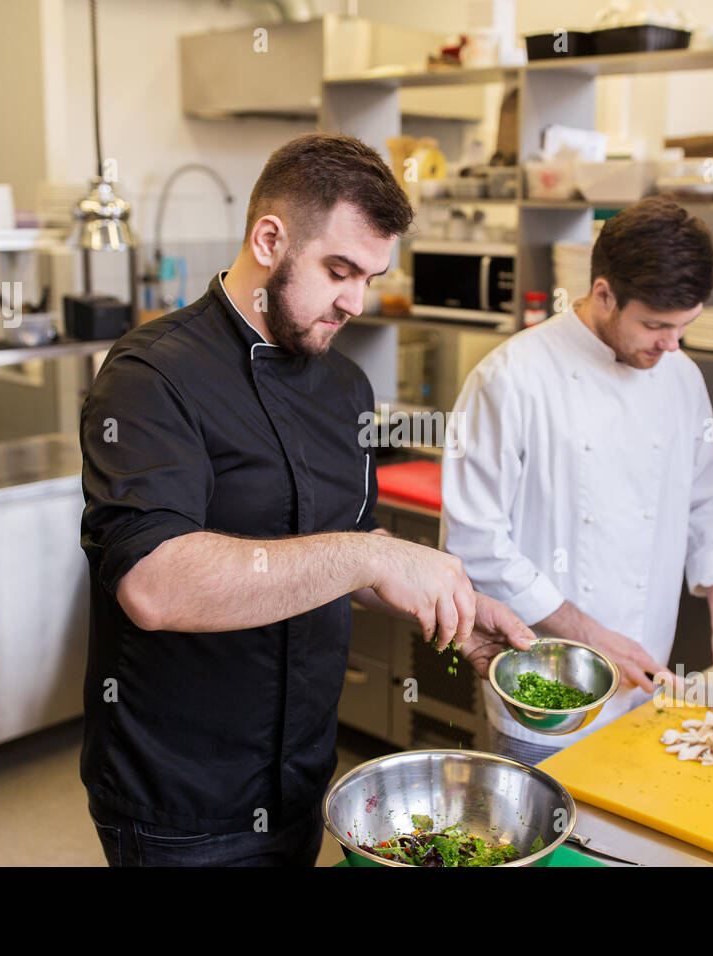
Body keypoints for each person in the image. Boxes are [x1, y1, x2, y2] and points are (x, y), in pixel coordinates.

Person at [78, 132, 534, 866]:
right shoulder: (149, 377)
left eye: (372, 275)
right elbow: (153, 584)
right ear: (269, 238)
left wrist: (449, 606)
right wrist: (368, 553)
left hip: (301, 780)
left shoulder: (344, 385)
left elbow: (347, 557)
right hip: (182, 799)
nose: (356, 300)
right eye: (339, 270)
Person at [441, 197, 713, 765]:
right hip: (547, 698)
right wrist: (589, 633)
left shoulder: (681, 377)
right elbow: (474, 545)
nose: (671, 345)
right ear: (604, 294)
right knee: (552, 847)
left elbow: (708, 502)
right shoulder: (510, 379)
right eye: (656, 325)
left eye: (685, 326)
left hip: (645, 682)